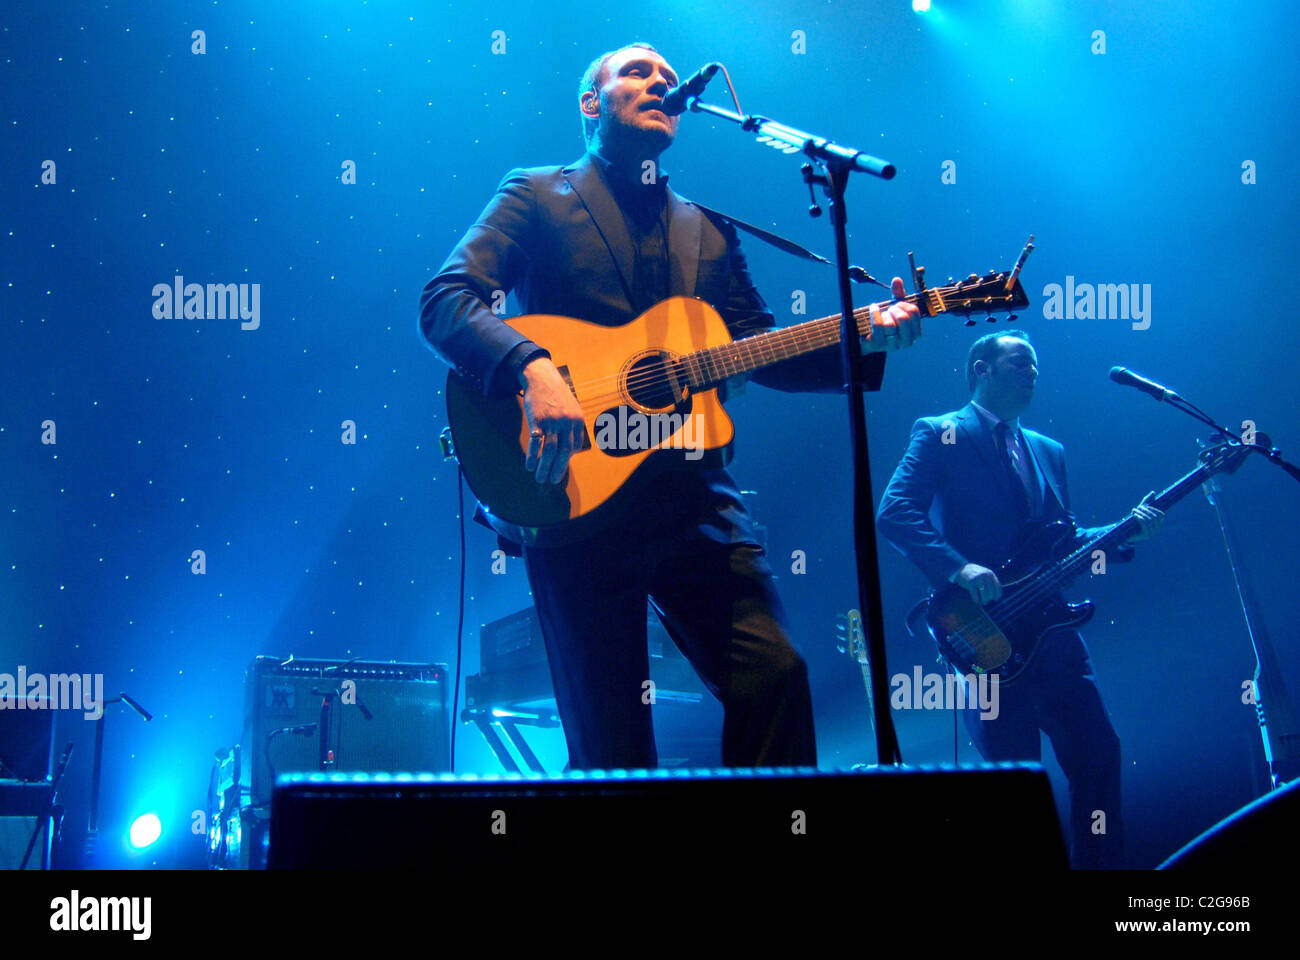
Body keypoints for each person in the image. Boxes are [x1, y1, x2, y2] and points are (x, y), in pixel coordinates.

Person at [419, 42, 921, 770]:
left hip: (696, 500)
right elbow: (445, 299)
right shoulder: (535, 194)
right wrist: (530, 367)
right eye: (636, 72)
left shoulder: (709, 231)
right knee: (613, 747)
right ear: (591, 105)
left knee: (777, 677)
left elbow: (758, 346)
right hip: (577, 500)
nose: (660, 80)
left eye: (665, 74)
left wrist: (868, 338)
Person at [875, 330, 1163, 868]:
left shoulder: (1049, 451)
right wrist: (958, 567)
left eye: (1035, 366)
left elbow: (1064, 539)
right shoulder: (941, 433)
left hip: (1054, 638)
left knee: (1099, 758)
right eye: (1019, 363)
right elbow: (895, 512)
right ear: (980, 369)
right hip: (983, 633)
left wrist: (1126, 533)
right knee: (1013, 781)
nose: (1032, 373)